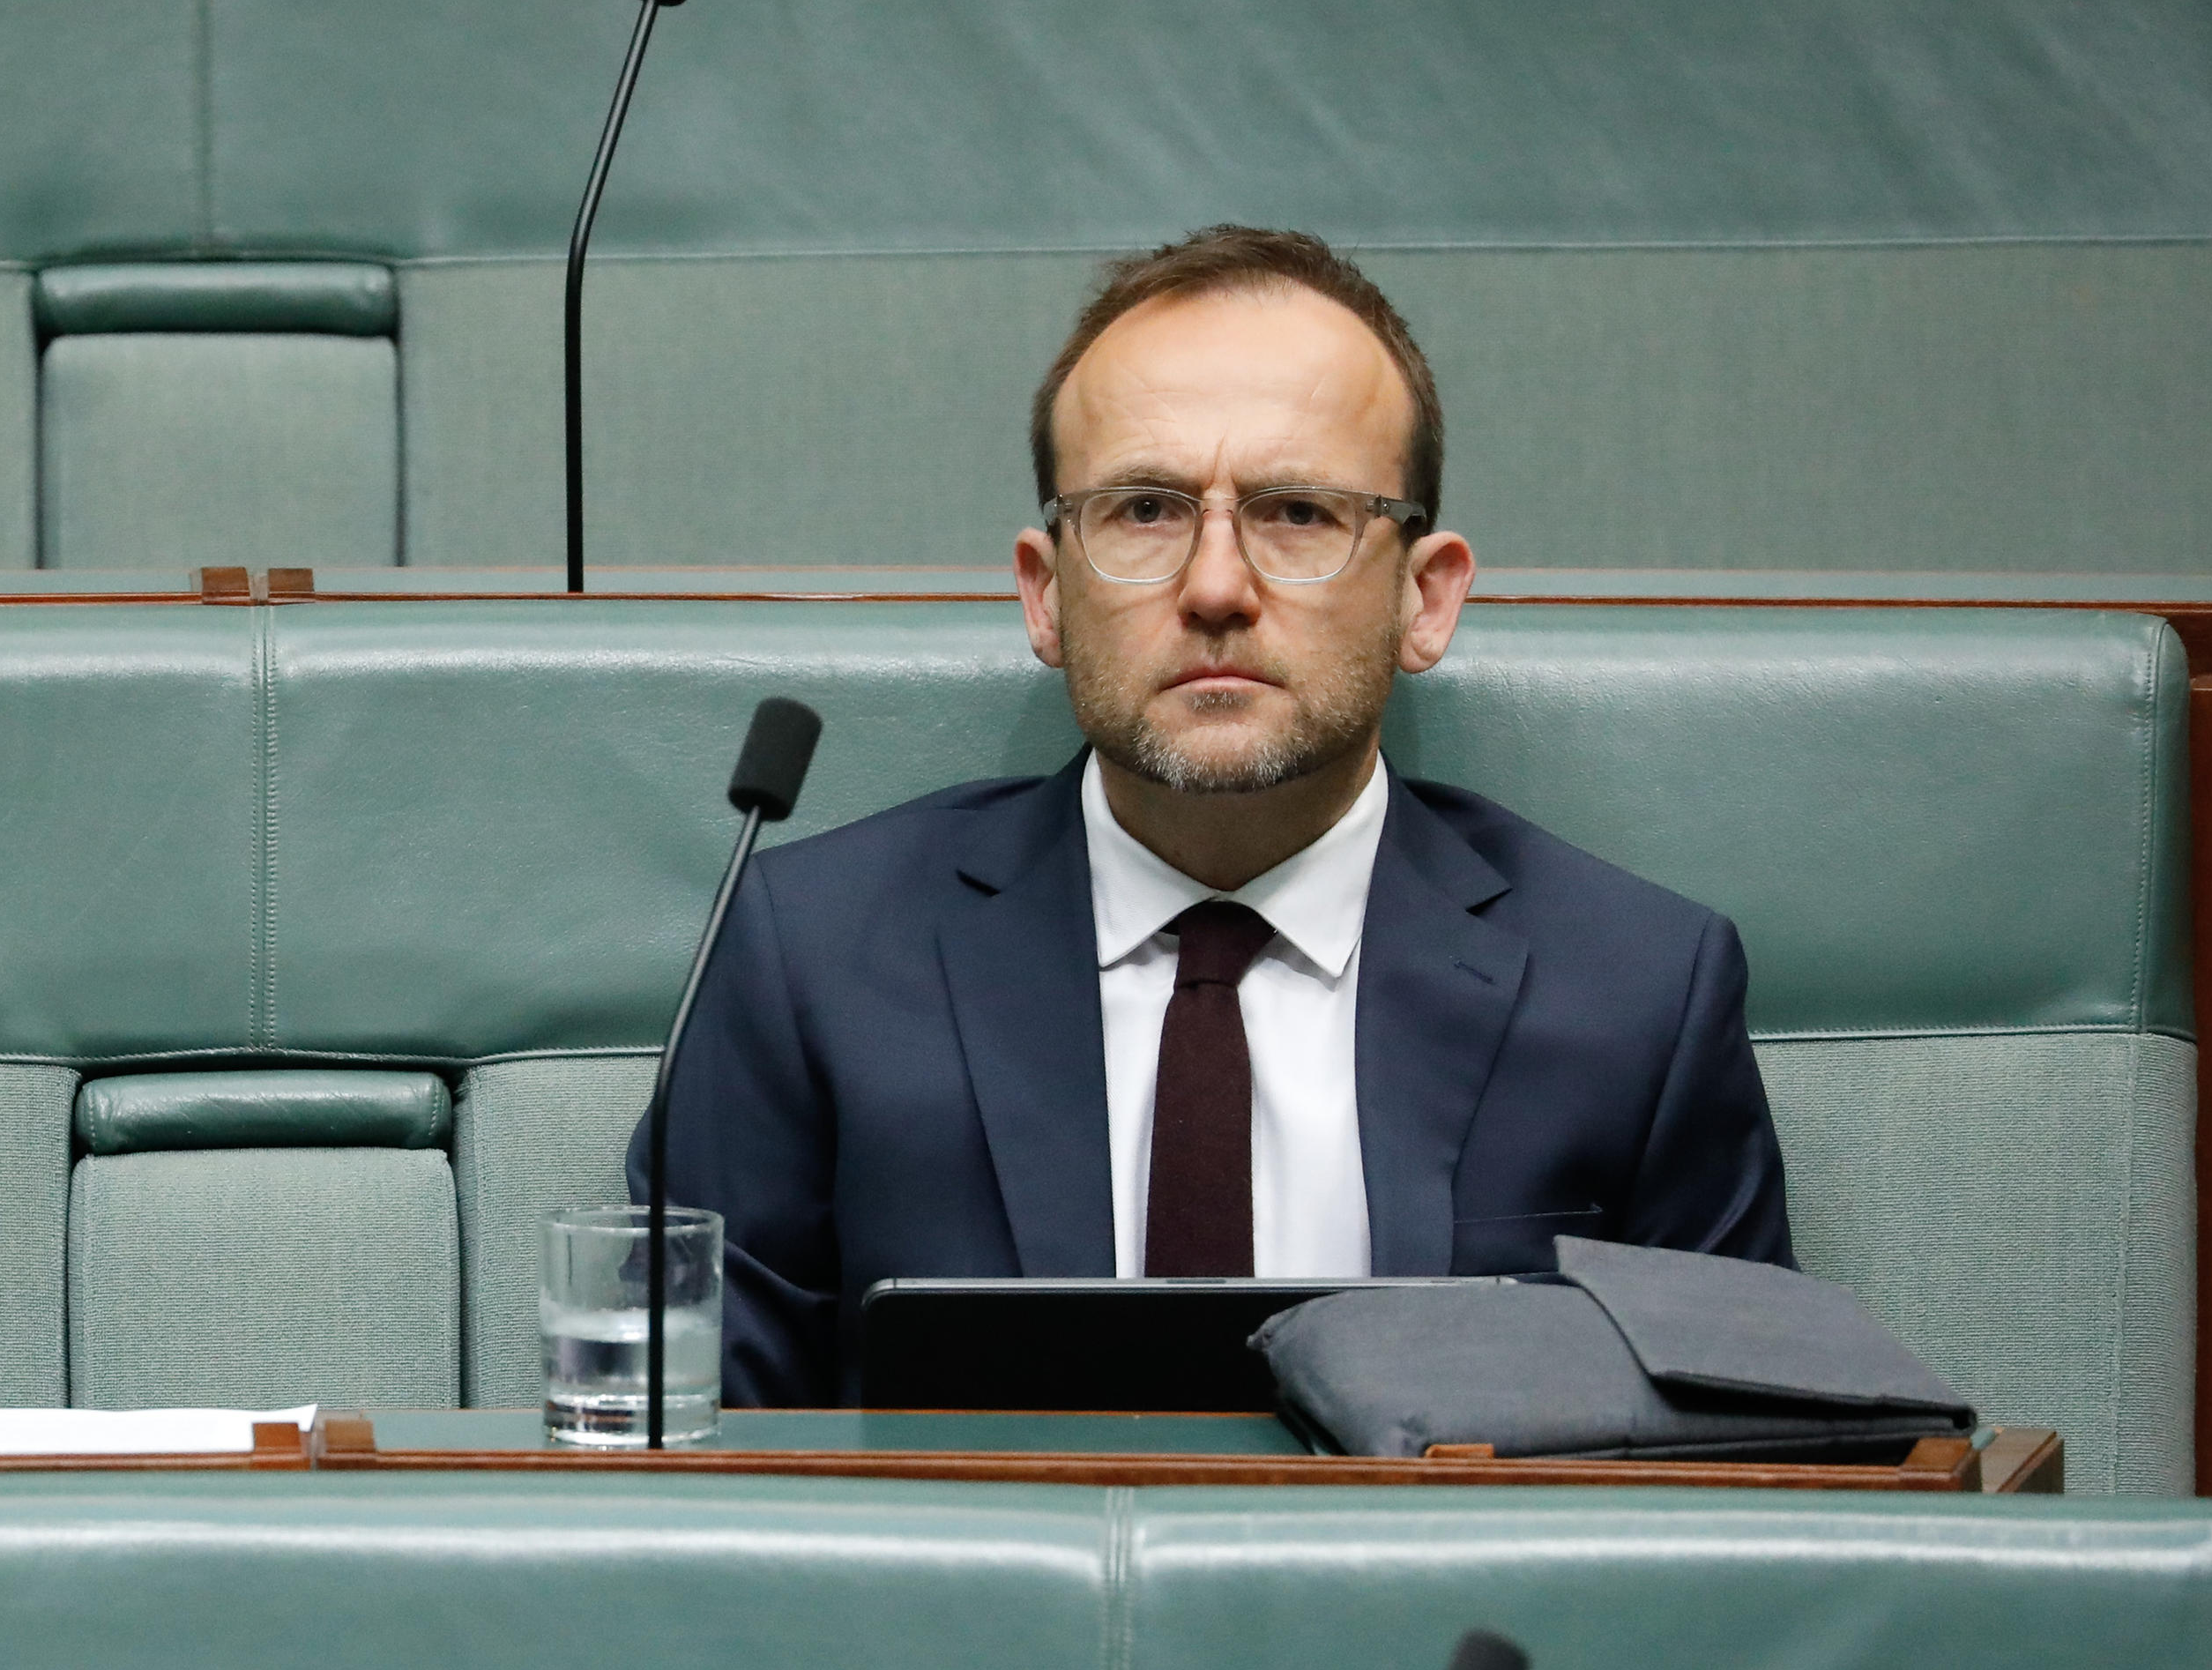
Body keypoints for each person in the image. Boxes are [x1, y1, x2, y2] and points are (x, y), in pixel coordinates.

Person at [632, 223, 1792, 1406]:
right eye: (1145, 509)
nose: (1217, 587)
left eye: (1298, 512)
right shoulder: (808, 960)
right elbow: (691, 1455)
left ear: (1425, 598)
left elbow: (1741, 1464)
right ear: (1045, 594)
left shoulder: (1640, 993)